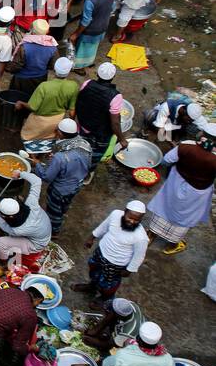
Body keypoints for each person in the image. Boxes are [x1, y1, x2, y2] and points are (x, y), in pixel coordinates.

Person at [144, 127, 216, 255]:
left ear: (202, 135)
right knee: (185, 217)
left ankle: (151, 235)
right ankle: (174, 243)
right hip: (198, 194)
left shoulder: (186, 146)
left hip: (176, 184)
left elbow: (167, 160)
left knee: (164, 207)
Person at [74, 202, 150, 300]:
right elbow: (103, 227)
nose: (132, 221)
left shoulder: (141, 237)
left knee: (108, 284)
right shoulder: (115, 214)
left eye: (136, 220)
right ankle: (91, 287)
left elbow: (139, 256)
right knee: (94, 272)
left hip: (116, 264)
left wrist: (129, 270)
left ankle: (104, 298)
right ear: (124, 212)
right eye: (130, 217)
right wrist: (92, 237)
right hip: (100, 252)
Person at [32, 119, 94, 234]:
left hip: (60, 190)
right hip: (77, 184)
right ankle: (63, 210)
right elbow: (87, 164)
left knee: (54, 211)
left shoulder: (60, 158)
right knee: (65, 202)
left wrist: (37, 164)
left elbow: (47, 177)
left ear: (60, 133)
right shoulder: (85, 145)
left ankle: (54, 231)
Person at [0, 171, 52, 266]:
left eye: (2, 214)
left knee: (1, 242)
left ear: (10, 216)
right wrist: (20, 174)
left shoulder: (18, 230)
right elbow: (37, 181)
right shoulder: (31, 203)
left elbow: (3, 225)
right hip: (41, 229)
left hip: (36, 244)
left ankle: (2, 260)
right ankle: (12, 248)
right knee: (8, 234)